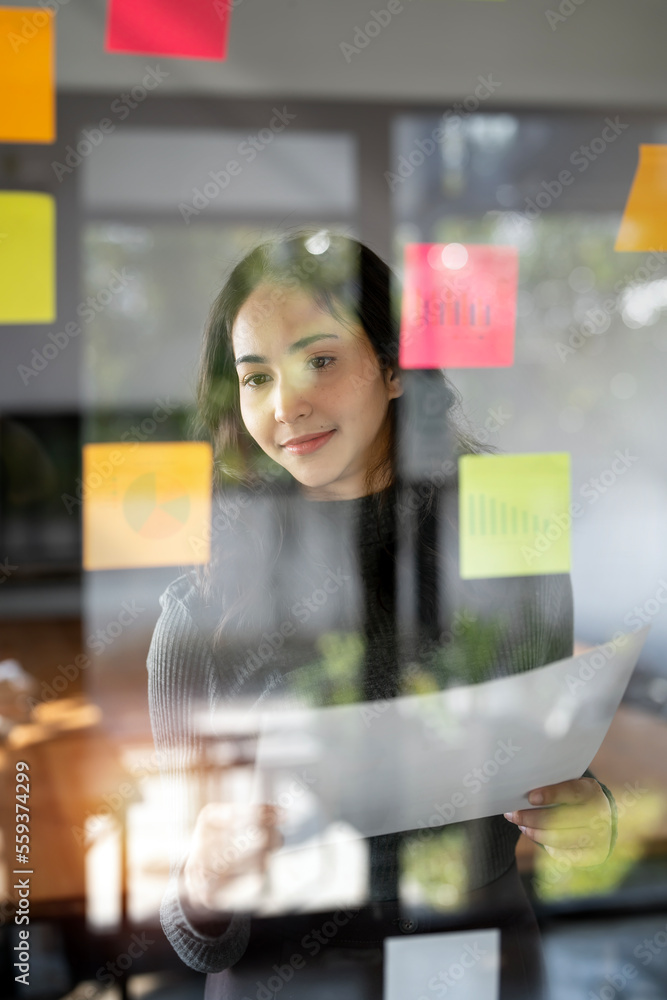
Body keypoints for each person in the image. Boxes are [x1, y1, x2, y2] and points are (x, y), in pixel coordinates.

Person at [147, 230, 617, 999]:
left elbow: (552, 773)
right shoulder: (205, 608)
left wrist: (587, 817)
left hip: (474, 966)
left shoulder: (508, 549)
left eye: (320, 360)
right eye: (256, 377)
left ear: (395, 366)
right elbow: (190, 932)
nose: (285, 404)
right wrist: (202, 882)